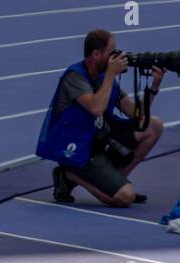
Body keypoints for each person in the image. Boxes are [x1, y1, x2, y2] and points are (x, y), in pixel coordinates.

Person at [35, 30, 165, 208]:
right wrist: (111, 75)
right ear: (96, 54)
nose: (118, 56)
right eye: (112, 52)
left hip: (99, 139)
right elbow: (96, 108)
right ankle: (69, 176)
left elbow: (136, 113)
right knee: (125, 197)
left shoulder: (105, 77)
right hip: (77, 147)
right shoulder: (75, 77)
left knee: (153, 125)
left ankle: (117, 181)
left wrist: (155, 86)